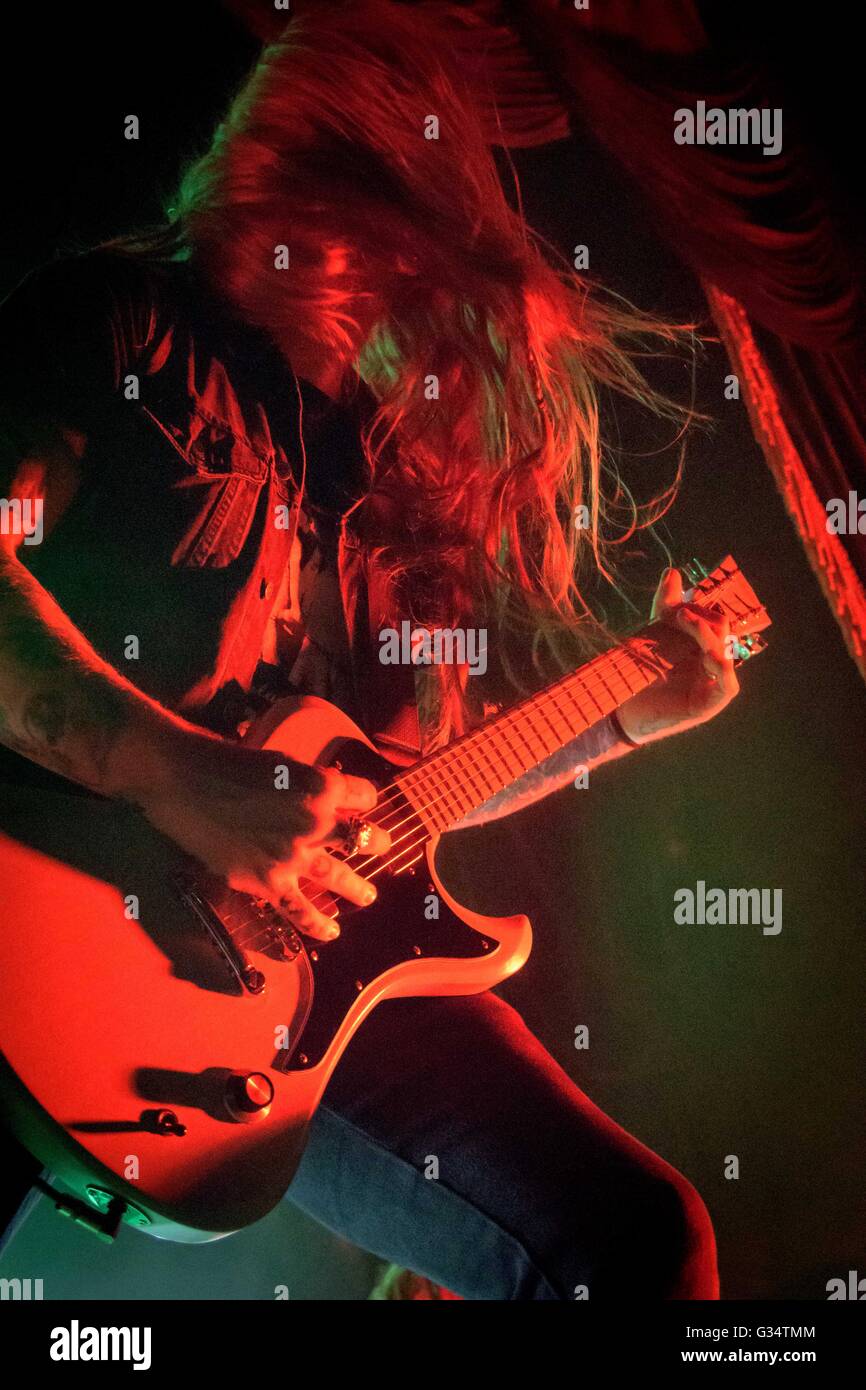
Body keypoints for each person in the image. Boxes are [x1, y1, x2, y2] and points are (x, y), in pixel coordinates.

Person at [0, 1, 738, 1298]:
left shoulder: (341, 475)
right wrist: (166, 767)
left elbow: (391, 810)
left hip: (253, 987)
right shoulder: (118, 323)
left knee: (633, 1241)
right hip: (33, 909)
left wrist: (631, 702)